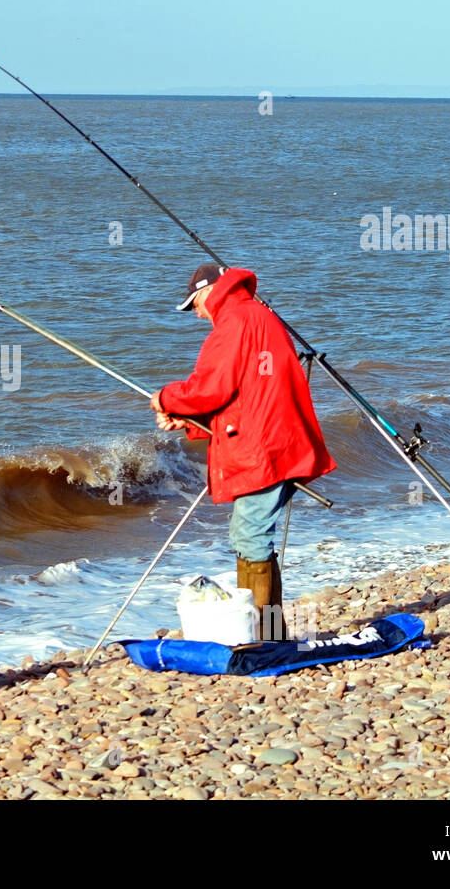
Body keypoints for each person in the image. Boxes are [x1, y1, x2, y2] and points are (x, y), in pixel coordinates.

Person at [150, 264, 335, 639]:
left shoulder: (233, 321)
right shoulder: (257, 314)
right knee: (250, 535)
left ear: (209, 292)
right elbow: (246, 393)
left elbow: (210, 389)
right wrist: (186, 422)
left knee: (251, 536)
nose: (197, 313)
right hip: (277, 438)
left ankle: (264, 638)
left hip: (262, 446)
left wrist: (166, 398)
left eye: (195, 304)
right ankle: (269, 632)